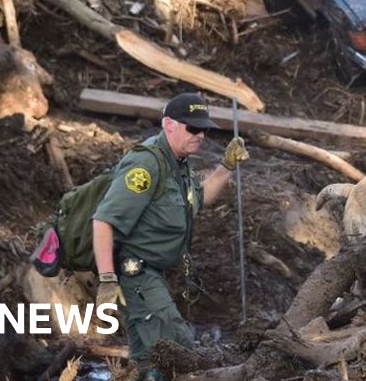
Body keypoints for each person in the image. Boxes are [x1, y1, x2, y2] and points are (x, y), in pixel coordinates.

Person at [91, 92, 249, 380]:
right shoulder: (146, 165)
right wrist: (106, 279)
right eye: (192, 128)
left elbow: (199, 200)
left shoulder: (179, 163)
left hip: (156, 273)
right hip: (136, 273)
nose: (200, 135)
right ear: (168, 124)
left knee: (149, 360)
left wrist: (227, 166)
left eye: (203, 129)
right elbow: (103, 220)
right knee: (175, 348)